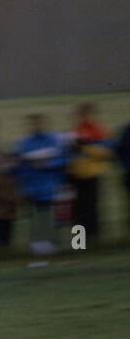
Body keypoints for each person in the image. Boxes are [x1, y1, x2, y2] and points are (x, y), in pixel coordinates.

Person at [14, 114, 66, 255]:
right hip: (32, 187)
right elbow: (20, 165)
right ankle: (37, 244)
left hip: (51, 186)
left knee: (51, 215)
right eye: (33, 124)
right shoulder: (24, 143)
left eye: (39, 123)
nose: (36, 126)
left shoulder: (53, 140)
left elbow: (63, 160)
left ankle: (53, 243)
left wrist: (47, 164)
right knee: (34, 217)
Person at [67, 103, 113, 244]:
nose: (83, 117)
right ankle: (79, 243)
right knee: (77, 210)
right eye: (81, 114)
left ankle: (93, 240)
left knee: (91, 208)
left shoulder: (99, 131)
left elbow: (106, 153)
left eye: (86, 113)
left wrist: (84, 148)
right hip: (76, 175)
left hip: (92, 175)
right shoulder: (74, 132)